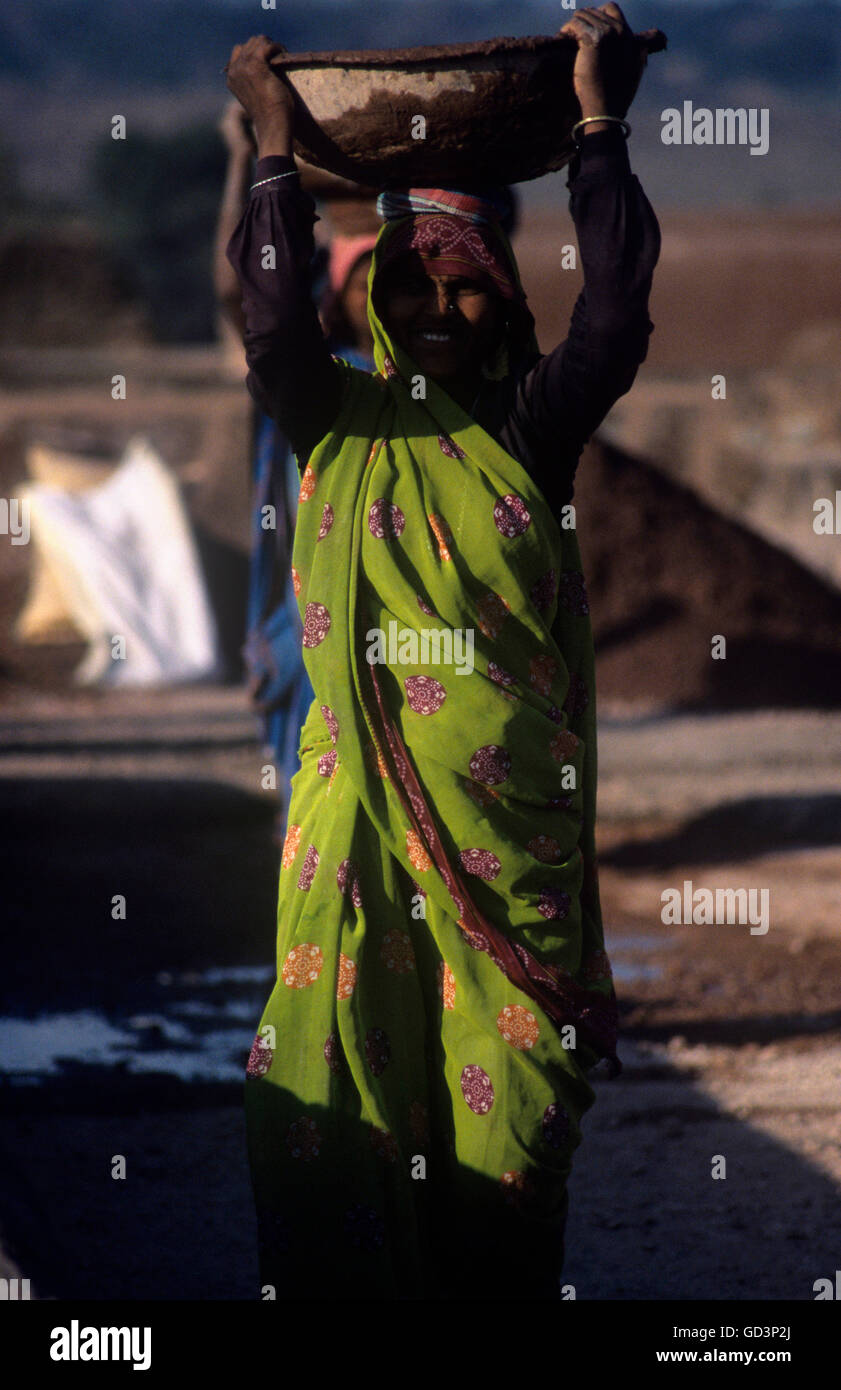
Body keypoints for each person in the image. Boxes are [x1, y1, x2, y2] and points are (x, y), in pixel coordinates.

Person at [225, 2, 660, 1299]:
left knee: (513, 1125)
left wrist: (597, 120)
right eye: (408, 276)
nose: (434, 297)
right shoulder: (329, 420)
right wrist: (268, 149)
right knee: (318, 1093)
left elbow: (619, 317)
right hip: (353, 832)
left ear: (503, 296)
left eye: (463, 274)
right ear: (370, 296)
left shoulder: (530, 425)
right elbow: (265, 324)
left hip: (502, 853)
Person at [213, 102, 376, 840]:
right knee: (321, 814)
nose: (381, 300)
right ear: (333, 291)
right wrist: (249, 159)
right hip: (309, 613)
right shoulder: (319, 386)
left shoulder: (451, 401)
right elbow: (246, 300)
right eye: (363, 281)